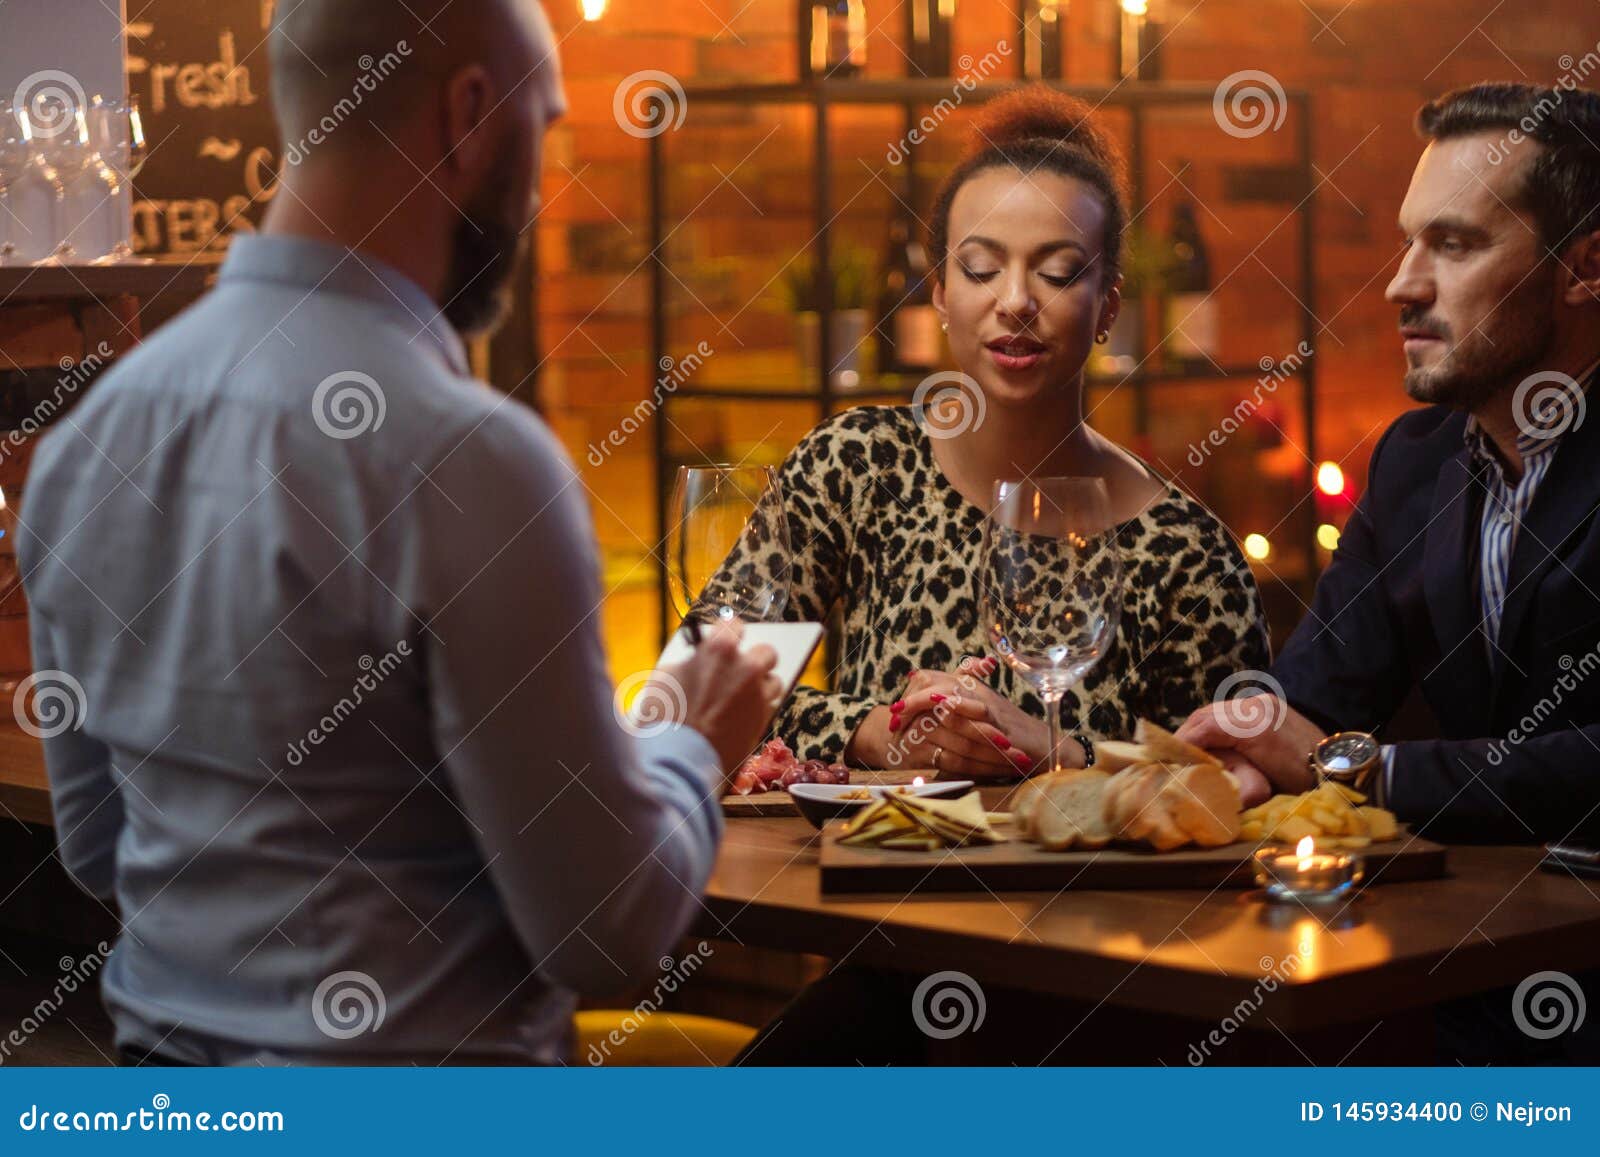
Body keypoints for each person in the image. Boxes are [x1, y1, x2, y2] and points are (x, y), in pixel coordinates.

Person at [15, 0, 779, 1066]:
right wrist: (695, 737)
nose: (544, 180)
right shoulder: (474, 459)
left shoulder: (83, 443)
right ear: (470, 116)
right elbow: (606, 936)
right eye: (543, 129)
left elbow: (102, 850)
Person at [1177, 82, 1600, 1066]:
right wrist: (1098, 755)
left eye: (1453, 246)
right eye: (1410, 242)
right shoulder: (1414, 458)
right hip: (1461, 955)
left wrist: (1361, 770)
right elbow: (1309, 698)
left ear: (1585, 266)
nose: (1402, 284)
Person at [715, 88, 1270, 780]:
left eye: (1059, 272)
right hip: (861, 885)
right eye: (980, 269)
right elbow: (698, 699)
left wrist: (1054, 752)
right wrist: (871, 732)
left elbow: (1227, 786)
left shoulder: (1191, 556)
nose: (1015, 301)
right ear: (942, 294)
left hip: (1088, 892)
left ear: (1108, 307)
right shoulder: (853, 467)